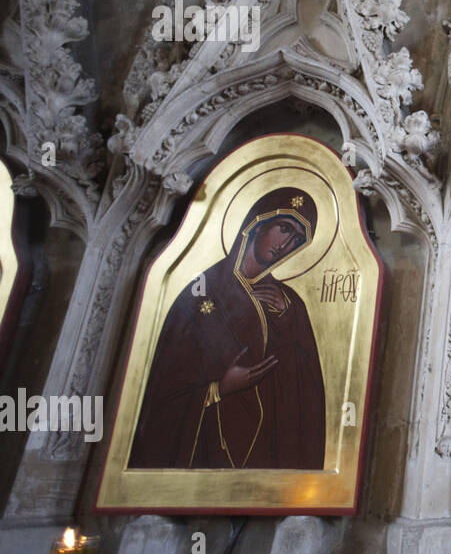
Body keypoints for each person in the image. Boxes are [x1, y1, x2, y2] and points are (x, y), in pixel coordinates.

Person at [129, 187, 326, 469]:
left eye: (296, 238)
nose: (286, 244)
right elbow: (162, 387)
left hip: (266, 451)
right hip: (205, 443)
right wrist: (219, 388)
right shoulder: (201, 291)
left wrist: (287, 321)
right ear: (256, 224)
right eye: (284, 228)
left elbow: (307, 393)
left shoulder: (289, 303)